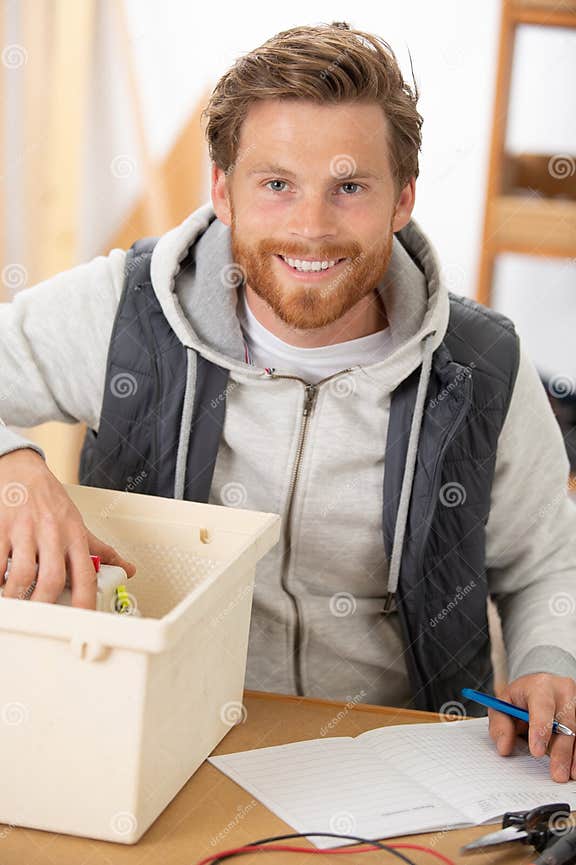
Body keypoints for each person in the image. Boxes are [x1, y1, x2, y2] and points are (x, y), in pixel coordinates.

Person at [1, 21, 575, 781]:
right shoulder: (122, 311)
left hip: (397, 760)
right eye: (276, 185)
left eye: (350, 188)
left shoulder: (484, 366)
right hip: (151, 748)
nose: (311, 226)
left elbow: (547, 563)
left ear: (402, 198)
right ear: (222, 191)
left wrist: (549, 659)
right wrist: (16, 464)